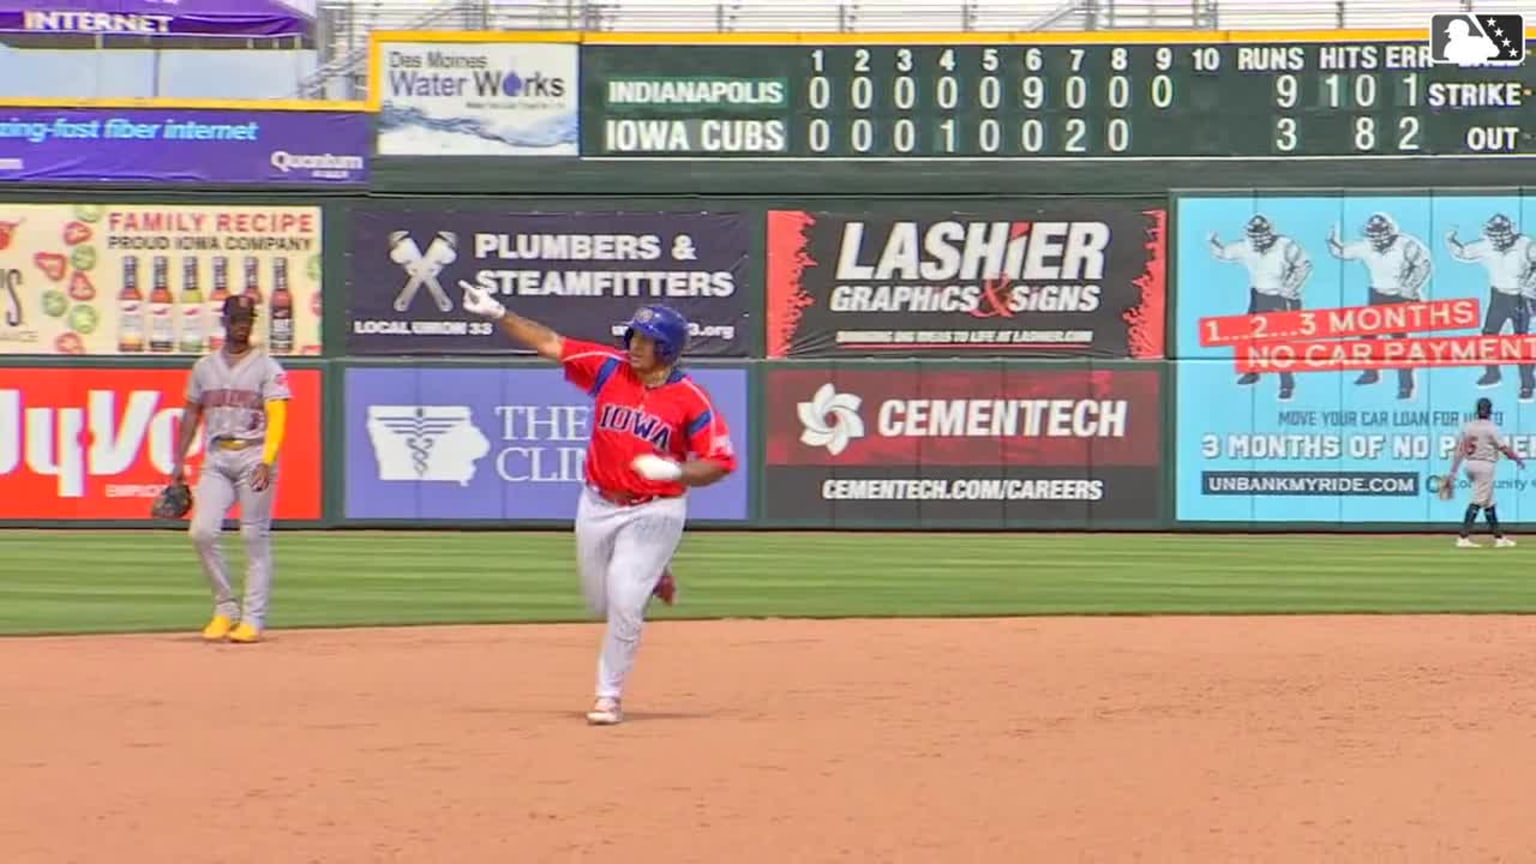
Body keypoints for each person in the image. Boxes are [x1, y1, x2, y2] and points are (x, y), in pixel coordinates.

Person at [459, 280, 737, 725]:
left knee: (625, 600)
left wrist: (676, 471)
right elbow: (551, 343)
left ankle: (608, 695)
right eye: (635, 337)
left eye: (648, 340)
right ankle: (653, 574)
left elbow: (721, 462)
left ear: (668, 349)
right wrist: (498, 314)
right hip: (598, 502)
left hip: (655, 509)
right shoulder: (609, 368)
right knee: (599, 600)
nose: (636, 346)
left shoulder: (691, 400)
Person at [170, 293, 292, 643]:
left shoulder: (268, 367)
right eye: (237, 317)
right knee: (202, 533)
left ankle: (252, 619)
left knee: (254, 536)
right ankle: (225, 608)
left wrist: (269, 459)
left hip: (255, 456)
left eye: (247, 318)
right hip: (217, 457)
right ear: (224, 321)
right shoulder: (205, 367)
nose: (242, 323)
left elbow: (279, 415)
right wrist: (178, 462)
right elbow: (191, 412)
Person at [1326, 213, 1432, 400]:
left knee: (1399, 344)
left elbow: (1423, 265)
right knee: (1368, 338)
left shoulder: (1406, 245)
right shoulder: (1365, 246)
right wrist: (1332, 240)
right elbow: (1342, 253)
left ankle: (1405, 386)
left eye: (1381, 233)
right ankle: (1371, 373)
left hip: (1400, 297)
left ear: (1390, 231)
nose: (1378, 238)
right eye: (1373, 234)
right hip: (1377, 295)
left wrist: (1410, 286)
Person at [1209, 214, 1312, 401]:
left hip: (1281, 298)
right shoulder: (1245, 247)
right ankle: (1252, 371)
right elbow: (1224, 254)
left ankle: (1286, 384)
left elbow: (1304, 265)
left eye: (1262, 235)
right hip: (1258, 296)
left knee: (1280, 344)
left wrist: (1290, 287)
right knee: (1247, 336)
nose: (1258, 239)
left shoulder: (1285, 245)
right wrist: (1213, 243)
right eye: (1254, 235)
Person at [1447, 214, 1536, 400]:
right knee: (1489, 335)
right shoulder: (1485, 246)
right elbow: (1462, 253)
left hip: (1522, 296)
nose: (1499, 238)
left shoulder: (1526, 245)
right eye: (1495, 233)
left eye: (1502, 233)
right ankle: (1492, 373)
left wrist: (1530, 289)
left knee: (1522, 342)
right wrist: (1450, 240)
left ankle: (1527, 384)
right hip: (1499, 296)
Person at [1448, 396, 1525, 548]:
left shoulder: (1468, 426)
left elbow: (1460, 450)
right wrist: (1517, 459)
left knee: (1489, 503)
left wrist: (1453, 470)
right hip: (1484, 465)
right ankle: (1463, 537)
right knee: (1477, 501)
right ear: (1490, 411)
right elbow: (1504, 448)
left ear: (1477, 410)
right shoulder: (1491, 428)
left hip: (1469, 464)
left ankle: (1499, 538)